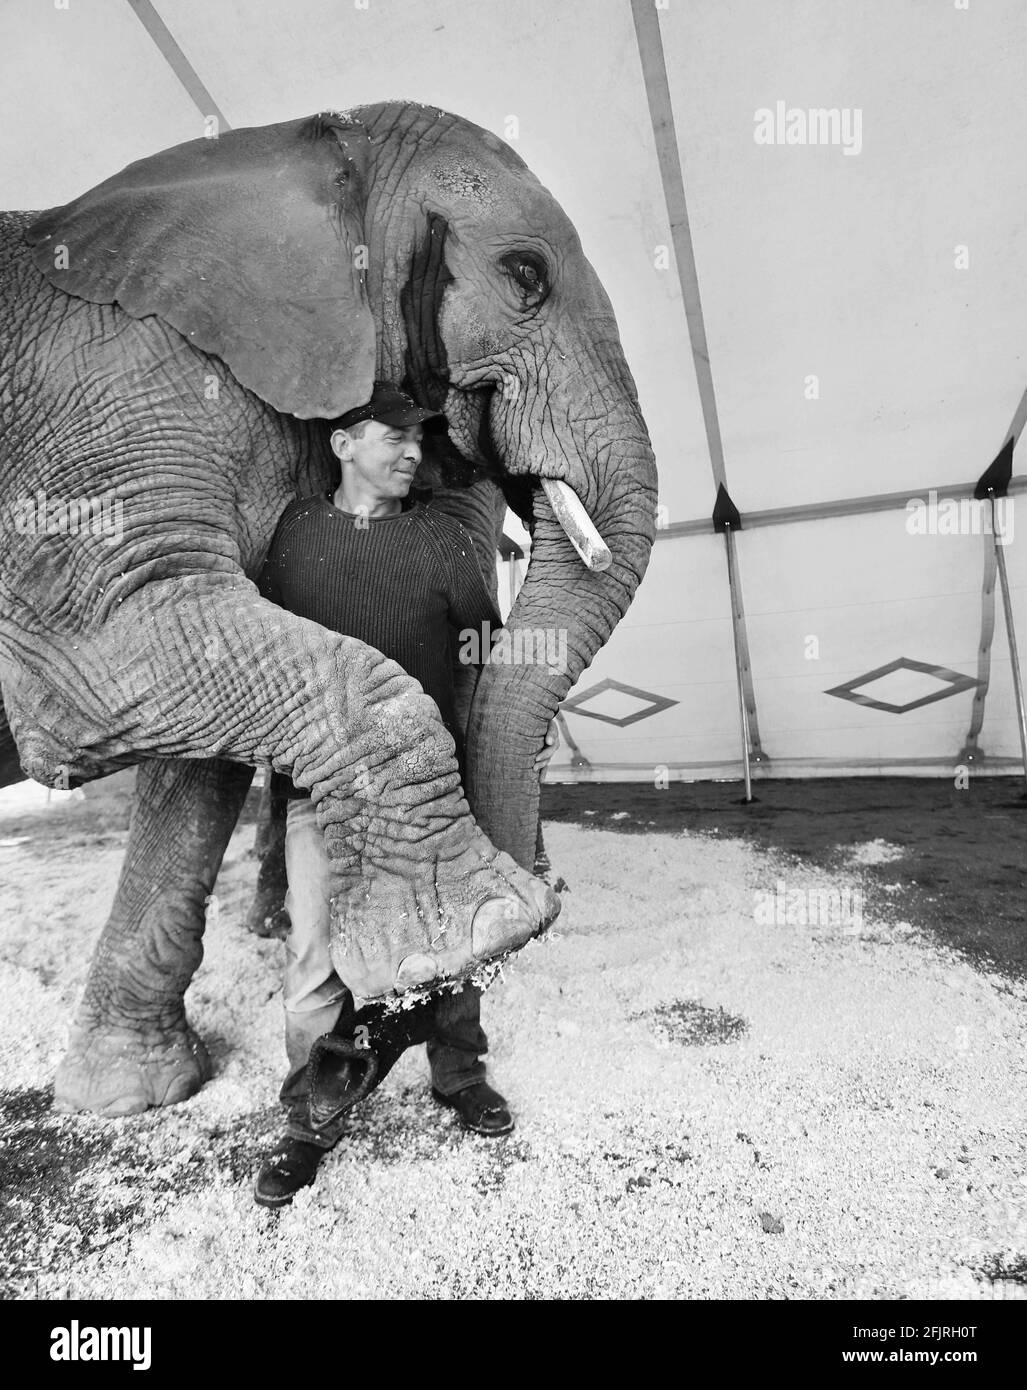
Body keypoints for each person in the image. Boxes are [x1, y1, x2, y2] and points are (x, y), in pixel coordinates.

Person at [253, 382, 556, 1208]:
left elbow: (487, 652)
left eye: (420, 439)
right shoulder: (290, 537)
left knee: (452, 941)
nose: (412, 451)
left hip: (430, 791)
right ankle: (308, 1124)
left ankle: (459, 1074)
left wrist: (521, 727)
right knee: (315, 961)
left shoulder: (442, 541)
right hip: (318, 788)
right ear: (342, 444)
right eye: (393, 436)